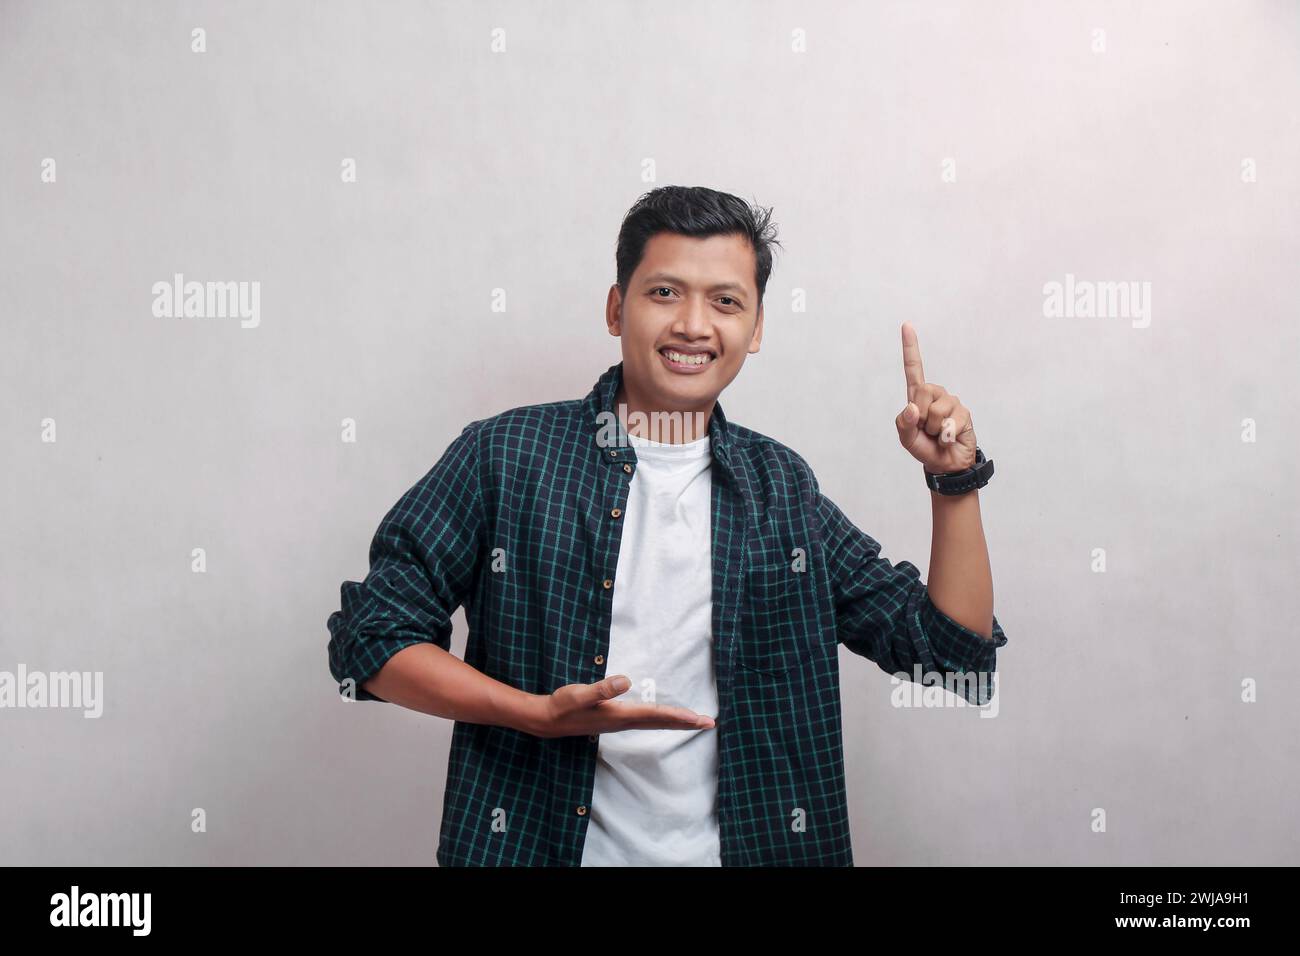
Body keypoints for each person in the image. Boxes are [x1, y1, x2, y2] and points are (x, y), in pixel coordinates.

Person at [326, 185, 1008, 866]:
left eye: (726, 301)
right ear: (616, 308)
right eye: (663, 293)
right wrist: (533, 713)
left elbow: (950, 652)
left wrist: (955, 481)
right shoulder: (506, 456)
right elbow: (371, 642)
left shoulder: (783, 490)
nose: (692, 324)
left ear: (758, 327)